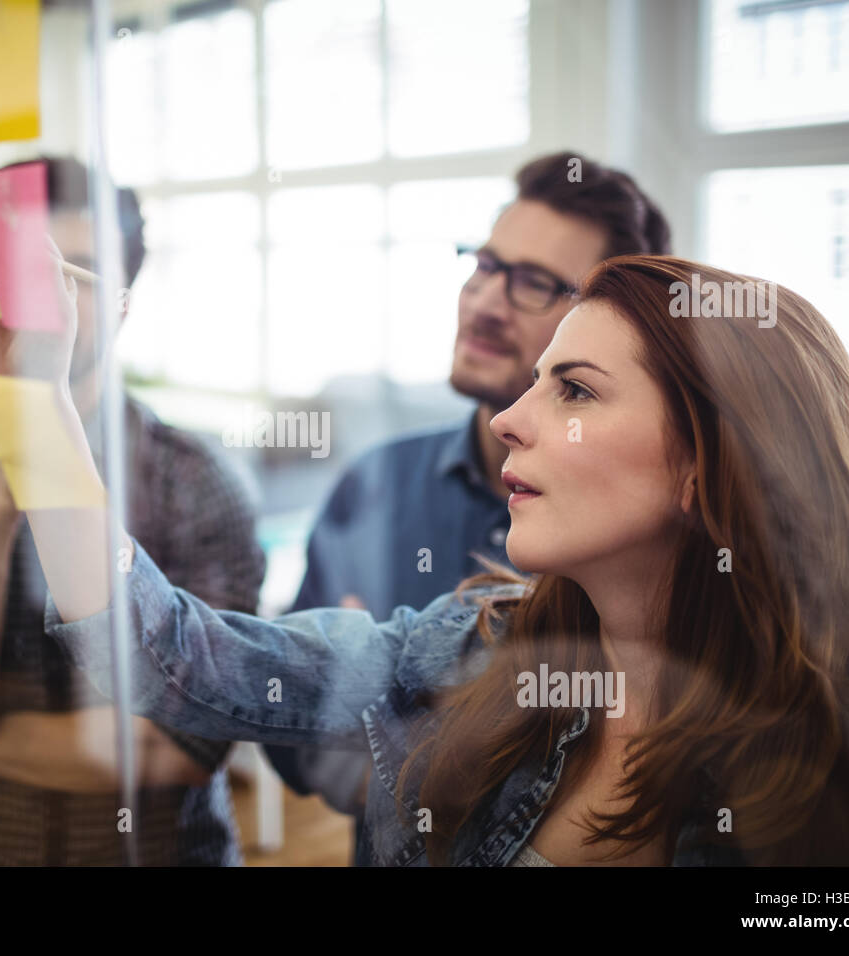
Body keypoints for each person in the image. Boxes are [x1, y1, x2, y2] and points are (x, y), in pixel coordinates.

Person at [21, 253, 849, 866]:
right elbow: (170, 658)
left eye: (572, 389)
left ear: (706, 463)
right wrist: (40, 395)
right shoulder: (462, 653)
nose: (508, 418)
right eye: (537, 380)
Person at [266, 151, 673, 862]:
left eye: (535, 285)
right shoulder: (377, 483)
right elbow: (284, 723)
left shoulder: (632, 541)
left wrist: (387, 717)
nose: (485, 302)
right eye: (485, 265)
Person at [0, 156, 266, 866]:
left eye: (72, 271)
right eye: (20, 268)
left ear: (124, 296)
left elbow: (184, 746)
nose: (44, 300)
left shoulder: (195, 485)